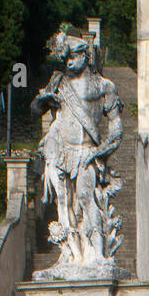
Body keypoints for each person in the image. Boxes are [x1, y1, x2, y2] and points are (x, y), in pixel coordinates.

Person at [31, 27, 123, 276]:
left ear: (87, 56)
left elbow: (117, 131)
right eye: (66, 58)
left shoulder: (104, 86)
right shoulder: (58, 81)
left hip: (86, 152)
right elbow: (35, 109)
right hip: (59, 150)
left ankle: (99, 256)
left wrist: (98, 153)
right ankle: (71, 255)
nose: (69, 62)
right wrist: (44, 99)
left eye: (73, 57)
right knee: (63, 203)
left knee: (84, 197)